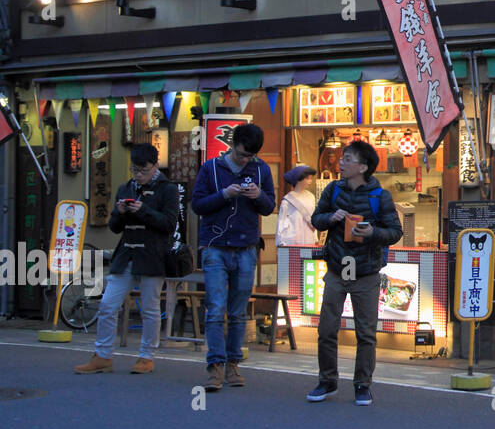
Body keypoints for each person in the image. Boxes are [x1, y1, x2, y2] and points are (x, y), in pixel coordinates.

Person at [306, 140, 402, 406]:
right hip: (336, 270)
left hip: (367, 273)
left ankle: (362, 384)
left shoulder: (379, 197)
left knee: (366, 333)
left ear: (362, 166)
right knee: (326, 329)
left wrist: (372, 233)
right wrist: (330, 218)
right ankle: (327, 381)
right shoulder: (333, 190)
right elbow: (316, 218)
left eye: (347, 159)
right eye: (342, 158)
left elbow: (395, 232)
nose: (341, 163)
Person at [74, 143, 180, 375]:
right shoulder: (125, 188)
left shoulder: (168, 189)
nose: (138, 175)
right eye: (135, 170)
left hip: (153, 256)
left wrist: (143, 210)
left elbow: (169, 224)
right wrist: (120, 212)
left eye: (143, 170)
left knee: (150, 309)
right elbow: (113, 227)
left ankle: (146, 356)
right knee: (107, 304)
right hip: (126, 255)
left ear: (154, 165)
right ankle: (103, 355)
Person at [191, 122, 275, 392]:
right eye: (241, 154)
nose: (245, 160)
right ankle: (214, 366)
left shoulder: (261, 169)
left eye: (250, 156)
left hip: (247, 247)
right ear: (231, 144)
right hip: (215, 246)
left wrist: (258, 195)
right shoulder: (211, 168)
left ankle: (233, 365)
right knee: (216, 308)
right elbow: (197, 205)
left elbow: (269, 205)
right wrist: (225, 194)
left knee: (238, 311)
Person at [276, 165, 318, 248]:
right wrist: (280, 240)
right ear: (298, 180)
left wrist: (315, 237)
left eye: (311, 178)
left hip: (309, 235)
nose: (310, 181)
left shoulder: (311, 197)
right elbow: (282, 221)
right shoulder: (287, 200)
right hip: (293, 236)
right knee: (293, 260)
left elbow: (313, 218)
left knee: (309, 260)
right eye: (307, 178)